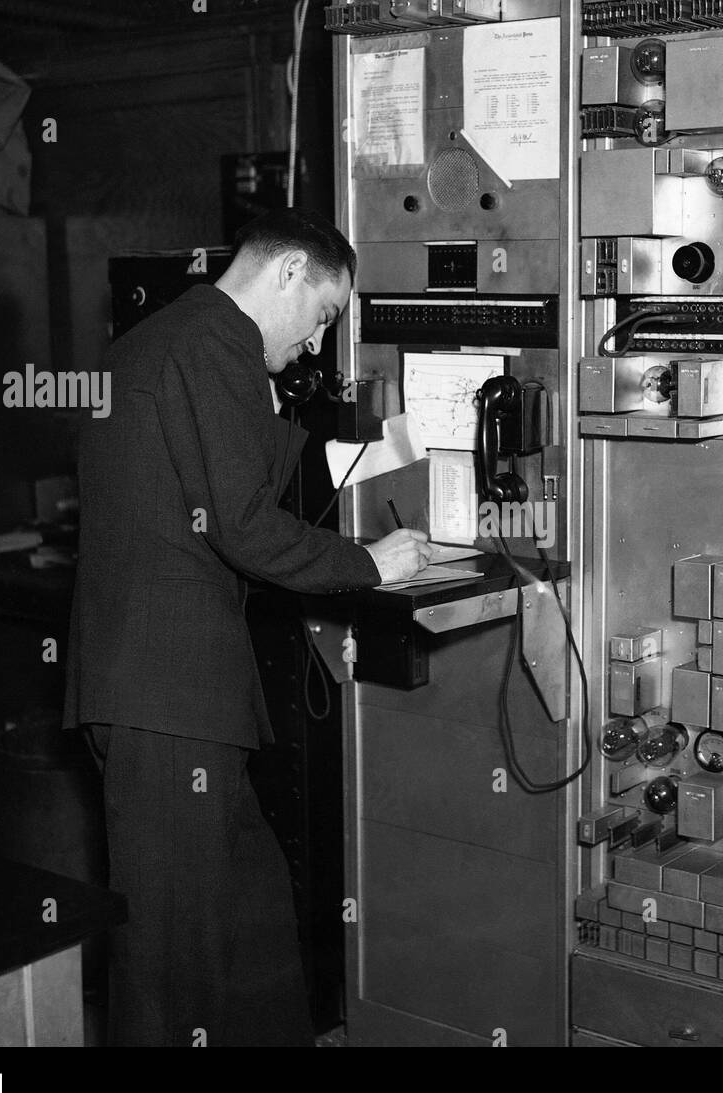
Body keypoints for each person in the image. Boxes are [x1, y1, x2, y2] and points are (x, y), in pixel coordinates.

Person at [63, 208, 429, 1046]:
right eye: (325, 318)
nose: (315, 344)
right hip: (167, 696)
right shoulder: (213, 346)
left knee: (252, 913)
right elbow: (246, 526)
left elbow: (209, 499)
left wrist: (277, 404)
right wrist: (375, 562)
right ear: (290, 270)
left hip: (160, 691)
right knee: (169, 956)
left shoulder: (172, 339)